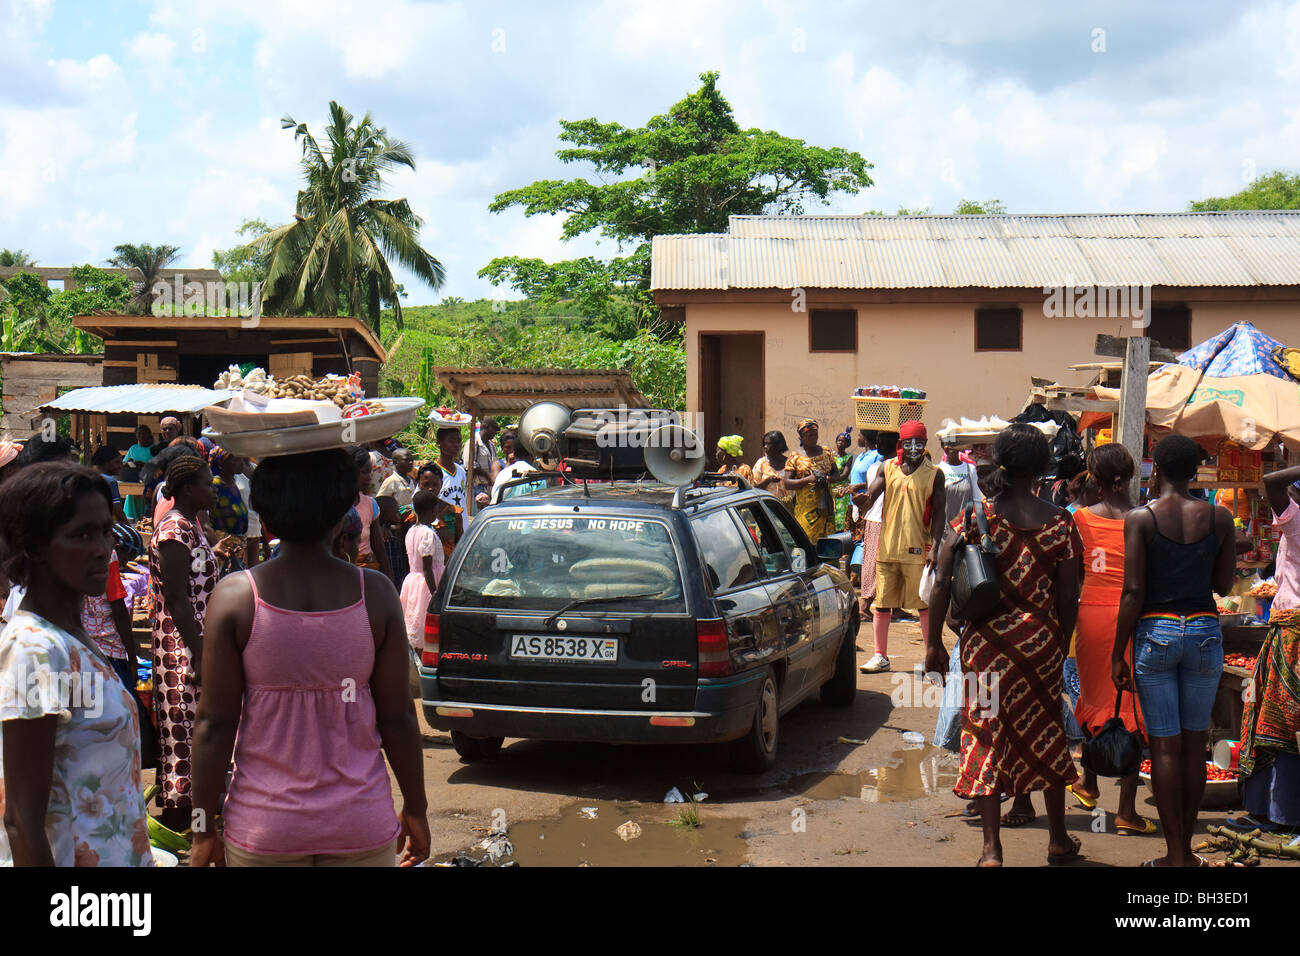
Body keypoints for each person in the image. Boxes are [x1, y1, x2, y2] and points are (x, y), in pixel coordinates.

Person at [190, 449, 430, 867]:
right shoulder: (375, 594)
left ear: (263, 521)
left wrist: (201, 828)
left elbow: (214, 724)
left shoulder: (235, 597)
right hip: (360, 823)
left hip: (264, 827)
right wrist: (416, 807)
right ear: (342, 518)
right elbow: (398, 717)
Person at [924, 424, 1082, 867]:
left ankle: (991, 851)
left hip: (985, 647)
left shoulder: (975, 518)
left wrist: (933, 644)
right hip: (1039, 646)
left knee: (986, 735)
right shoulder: (1059, 522)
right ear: (1040, 468)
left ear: (1001, 462)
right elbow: (1068, 598)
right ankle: (1058, 839)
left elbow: (940, 582)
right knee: (1047, 732)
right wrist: (1058, 647)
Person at [0, 462, 153, 866]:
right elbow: (20, 819)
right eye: (81, 535)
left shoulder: (73, 636)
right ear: (35, 546)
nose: (103, 548)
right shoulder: (35, 649)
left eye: (105, 531)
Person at [1113, 434, 1235, 867]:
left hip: (1155, 633)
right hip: (1204, 631)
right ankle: (1186, 848)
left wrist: (1117, 653)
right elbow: (1222, 586)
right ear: (1195, 472)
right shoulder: (1219, 517)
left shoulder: (1140, 519)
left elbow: (1132, 589)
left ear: (1157, 470)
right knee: (1195, 744)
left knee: (1164, 749)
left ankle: (1176, 854)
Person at [1067, 444, 1152, 834]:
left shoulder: (1080, 519)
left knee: (1097, 701)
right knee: (1132, 708)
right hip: (1135, 617)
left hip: (1092, 617)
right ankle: (1127, 811)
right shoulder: (1148, 518)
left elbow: (1073, 577)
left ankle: (1088, 781)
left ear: (1093, 478)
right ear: (1131, 474)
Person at [148, 453, 218, 831]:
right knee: (183, 730)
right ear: (189, 488)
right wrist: (200, 652)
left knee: (195, 729)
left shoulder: (191, 526)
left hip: (193, 641)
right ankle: (180, 824)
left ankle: (197, 822)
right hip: (181, 646)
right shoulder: (175, 530)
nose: (212, 489)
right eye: (207, 483)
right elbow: (177, 598)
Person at [1230, 462, 1300, 832]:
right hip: (1289, 631)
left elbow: (1273, 480)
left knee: (1277, 725)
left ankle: (1275, 813)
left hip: (1292, 636)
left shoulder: (1296, 520)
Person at [856, 421, 945, 673]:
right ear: (901, 445)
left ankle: (928, 656)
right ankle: (880, 656)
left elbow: (939, 514)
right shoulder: (888, 468)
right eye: (909, 443)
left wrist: (935, 548)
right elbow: (872, 494)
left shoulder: (934, 474)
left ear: (925, 444)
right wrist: (863, 500)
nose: (914, 447)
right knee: (882, 603)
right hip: (888, 549)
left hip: (919, 550)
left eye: (919, 443)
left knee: (922, 605)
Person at [851, 431, 894, 620]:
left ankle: (892, 604)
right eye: (879, 439)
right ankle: (866, 603)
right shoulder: (877, 466)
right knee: (874, 563)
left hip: (888, 519)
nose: (879, 443)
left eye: (885, 439)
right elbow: (871, 494)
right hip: (877, 518)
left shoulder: (896, 466)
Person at [401, 491, 446, 664]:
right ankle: (426, 666)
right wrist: (435, 593)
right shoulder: (427, 534)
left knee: (417, 623)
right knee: (427, 627)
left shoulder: (411, 531)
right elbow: (427, 568)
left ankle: (421, 665)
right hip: (426, 585)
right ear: (432, 510)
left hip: (412, 582)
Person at [782, 419, 838, 540]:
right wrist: (809, 479)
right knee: (808, 542)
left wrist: (827, 478)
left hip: (826, 506)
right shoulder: (795, 457)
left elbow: (836, 474)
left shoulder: (826, 452)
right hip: (807, 511)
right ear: (801, 436)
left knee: (828, 544)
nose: (813, 438)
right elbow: (787, 483)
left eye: (815, 435)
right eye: (809, 435)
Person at [350, 446, 391, 578]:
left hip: (368, 572)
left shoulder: (369, 504)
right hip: (343, 575)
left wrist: (388, 581)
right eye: (365, 472)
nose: (369, 477)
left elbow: (379, 548)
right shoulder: (334, 506)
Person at [937, 437, 983, 527]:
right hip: (943, 528)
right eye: (946, 445)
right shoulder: (937, 470)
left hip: (966, 528)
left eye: (953, 444)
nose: (949, 448)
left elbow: (977, 500)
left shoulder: (970, 469)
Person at [434, 428, 467, 547]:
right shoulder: (432, 472)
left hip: (461, 532)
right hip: (441, 533)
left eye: (459, 441)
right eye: (452, 441)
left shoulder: (461, 471)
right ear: (439, 443)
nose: (457, 445)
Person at [752, 431, 794, 511]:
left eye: (768, 444)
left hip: (787, 509)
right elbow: (754, 488)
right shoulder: (761, 463)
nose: (765, 446)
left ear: (779, 445)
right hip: (767, 508)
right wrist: (768, 480)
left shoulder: (790, 464)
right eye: (764, 444)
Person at [464, 418, 500, 501]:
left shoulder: (491, 445)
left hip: (488, 488)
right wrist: (488, 475)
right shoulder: (473, 442)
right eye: (494, 429)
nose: (495, 432)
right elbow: (469, 465)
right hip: (476, 487)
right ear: (486, 427)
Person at [123, 426, 154, 520]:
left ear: (149, 435)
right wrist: (130, 462)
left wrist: (144, 464)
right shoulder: (133, 448)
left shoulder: (154, 448)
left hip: (149, 481)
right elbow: (124, 463)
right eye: (139, 433)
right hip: (134, 479)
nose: (141, 436)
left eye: (144, 433)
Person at [376, 495, 408, 588]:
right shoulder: (380, 534)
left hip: (398, 577)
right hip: (386, 579)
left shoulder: (393, 531)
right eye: (396, 512)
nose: (399, 515)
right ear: (384, 514)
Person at [91, 446, 128, 524]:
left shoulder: (91, 477)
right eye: (117, 462)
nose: (120, 466)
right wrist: (131, 530)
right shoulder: (110, 481)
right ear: (105, 463)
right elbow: (118, 512)